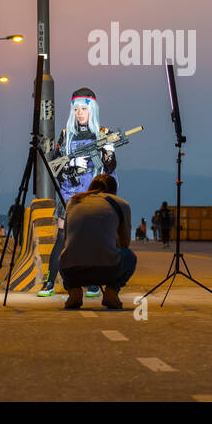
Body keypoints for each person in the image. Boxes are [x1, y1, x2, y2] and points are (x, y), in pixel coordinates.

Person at [42, 87, 119, 298]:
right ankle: (49, 281)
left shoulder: (103, 133)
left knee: (93, 238)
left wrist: (109, 150)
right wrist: (72, 166)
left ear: (92, 109)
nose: (80, 113)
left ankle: (94, 283)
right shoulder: (66, 135)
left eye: (84, 109)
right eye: (76, 109)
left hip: (93, 192)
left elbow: (110, 169)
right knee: (62, 238)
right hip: (69, 192)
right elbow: (54, 167)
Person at [59, 175, 136, 310]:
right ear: (114, 189)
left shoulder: (73, 201)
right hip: (107, 270)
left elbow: (67, 240)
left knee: (64, 255)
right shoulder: (121, 204)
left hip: (72, 271)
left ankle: (74, 292)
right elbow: (125, 243)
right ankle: (111, 292)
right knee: (130, 256)